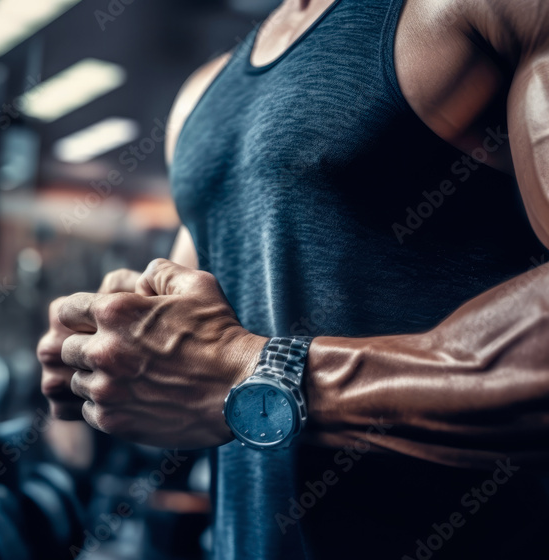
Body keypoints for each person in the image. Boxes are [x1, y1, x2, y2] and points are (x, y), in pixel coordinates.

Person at [38, 0, 549, 558]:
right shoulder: (201, 94)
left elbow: (225, 367)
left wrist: (271, 379)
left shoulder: (484, 10)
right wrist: (105, 351)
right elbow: (193, 341)